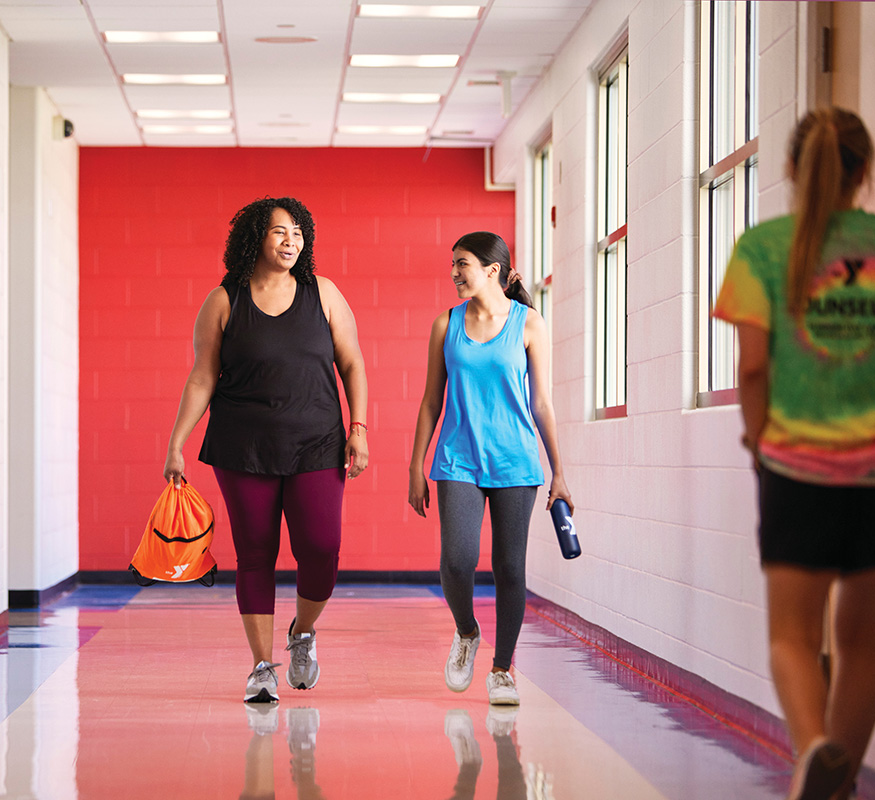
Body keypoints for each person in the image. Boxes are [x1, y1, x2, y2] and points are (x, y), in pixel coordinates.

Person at [713, 108, 875, 800]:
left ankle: (814, 747)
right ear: (864, 172)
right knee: (863, 642)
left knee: (792, 634)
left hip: (795, 469)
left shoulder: (763, 248)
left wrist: (760, 443)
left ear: (789, 168)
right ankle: (837, 785)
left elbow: (752, 368)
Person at [164, 197, 369, 704]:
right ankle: (261, 666)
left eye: (299, 233)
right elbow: (202, 377)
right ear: (255, 237)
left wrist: (359, 428)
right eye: (280, 232)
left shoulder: (323, 293)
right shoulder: (223, 300)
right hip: (244, 447)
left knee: (321, 548)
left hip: (318, 444)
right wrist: (176, 443)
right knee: (255, 554)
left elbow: (353, 364)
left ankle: (303, 631)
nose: (291, 241)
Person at [408, 231, 572, 705]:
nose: (455, 273)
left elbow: (542, 402)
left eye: (463, 264)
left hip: (515, 460)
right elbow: (430, 402)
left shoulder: (529, 323)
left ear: (492, 270)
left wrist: (558, 471)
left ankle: (502, 670)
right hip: (457, 457)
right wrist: (416, 466)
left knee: (509, 568)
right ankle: (466, 632)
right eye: (453, 264)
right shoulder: (446, 324)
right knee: (457, 561)